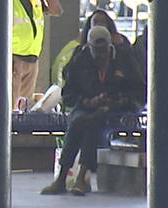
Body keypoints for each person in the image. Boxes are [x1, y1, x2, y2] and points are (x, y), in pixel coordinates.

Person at [41, 24, 145, 196]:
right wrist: (87, 101)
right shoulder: (79, 60)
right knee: (78, 121)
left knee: (92, 121)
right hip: (86, 105)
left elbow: (138, 90)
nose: (101, 56)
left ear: (110, 46)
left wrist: (120, 100)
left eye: (104, 51)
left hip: (116, 108)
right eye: (97, 52)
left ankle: (82, 176)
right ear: (89, 47)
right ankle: (63, 176)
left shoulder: (124, 59)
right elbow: (69, 93)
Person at [11, 0, 62, 107]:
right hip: (14, 58)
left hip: (32, 59)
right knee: (12, 107)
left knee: (24, 107)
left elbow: (56, 10)